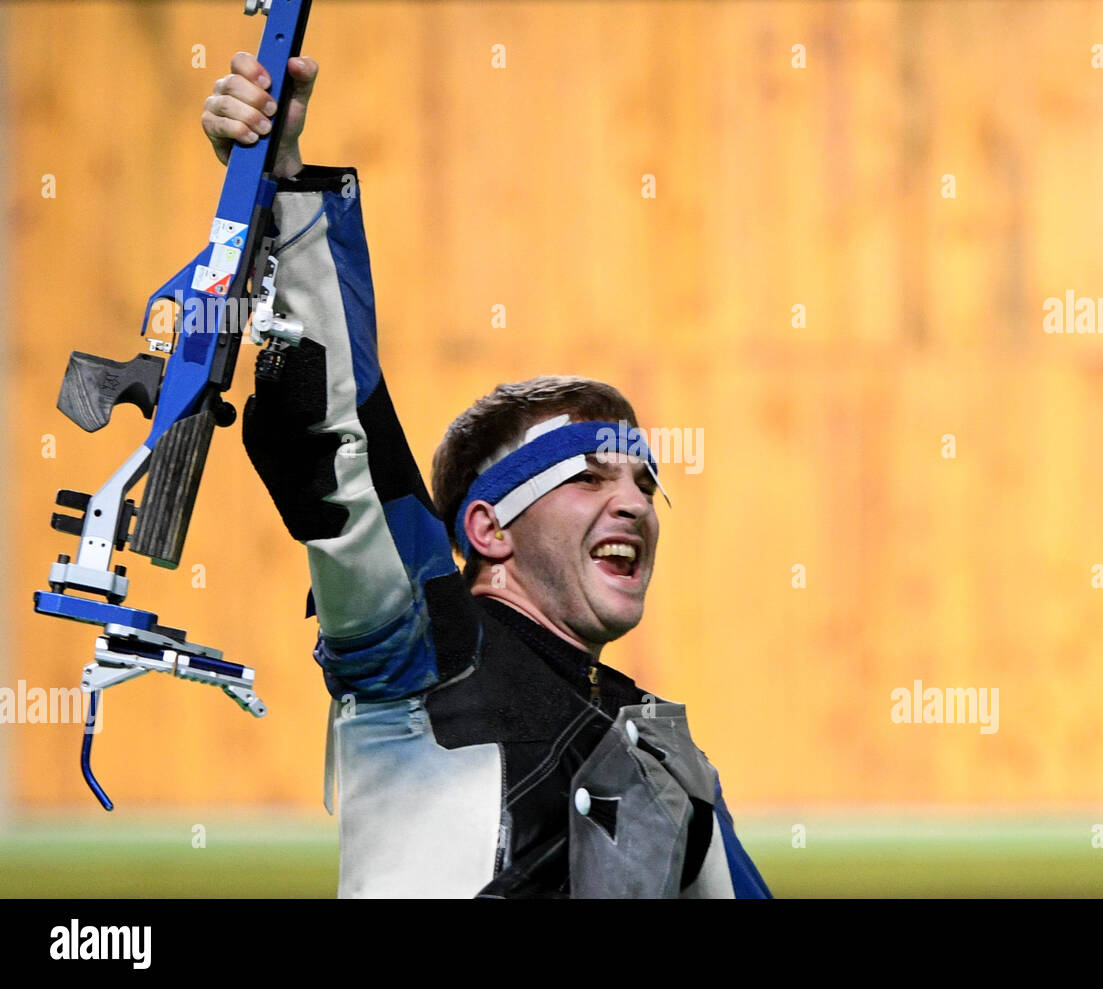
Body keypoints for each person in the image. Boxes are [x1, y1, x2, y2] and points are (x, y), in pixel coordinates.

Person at [202, 52, 771, 898]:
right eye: (588, 477)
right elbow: (339, 444)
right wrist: (284, 182)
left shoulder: (672, 765)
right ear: (487, 529)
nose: (633, 502)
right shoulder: (422, 652)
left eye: (645, 483)